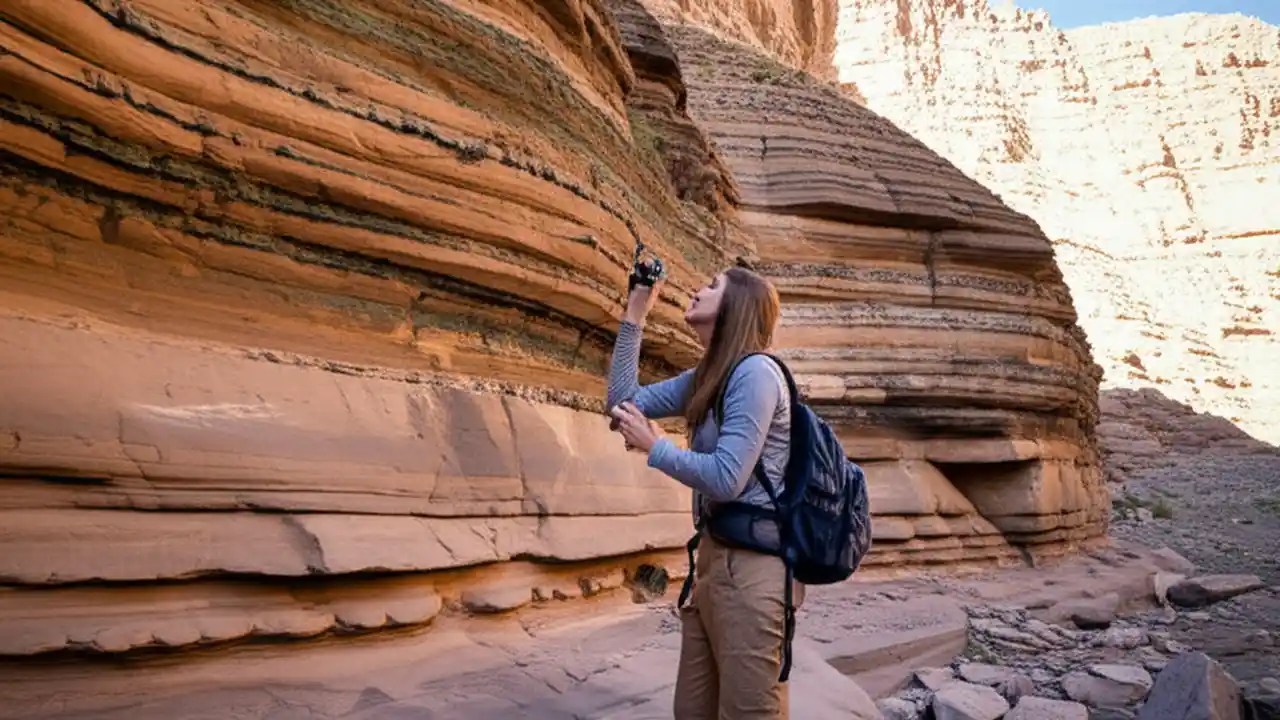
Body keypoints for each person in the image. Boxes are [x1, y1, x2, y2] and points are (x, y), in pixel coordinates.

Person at [606, 265, 795, 719]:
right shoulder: (708, 377)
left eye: (712, 286)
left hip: (754, 571)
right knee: (692, 710)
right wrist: (636, 312)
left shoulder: (756, 374)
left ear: (734, 309)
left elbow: (728, 477)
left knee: (749, 712)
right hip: (712, 562)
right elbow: (620, 399)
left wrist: (657, 447)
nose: (697, 289)